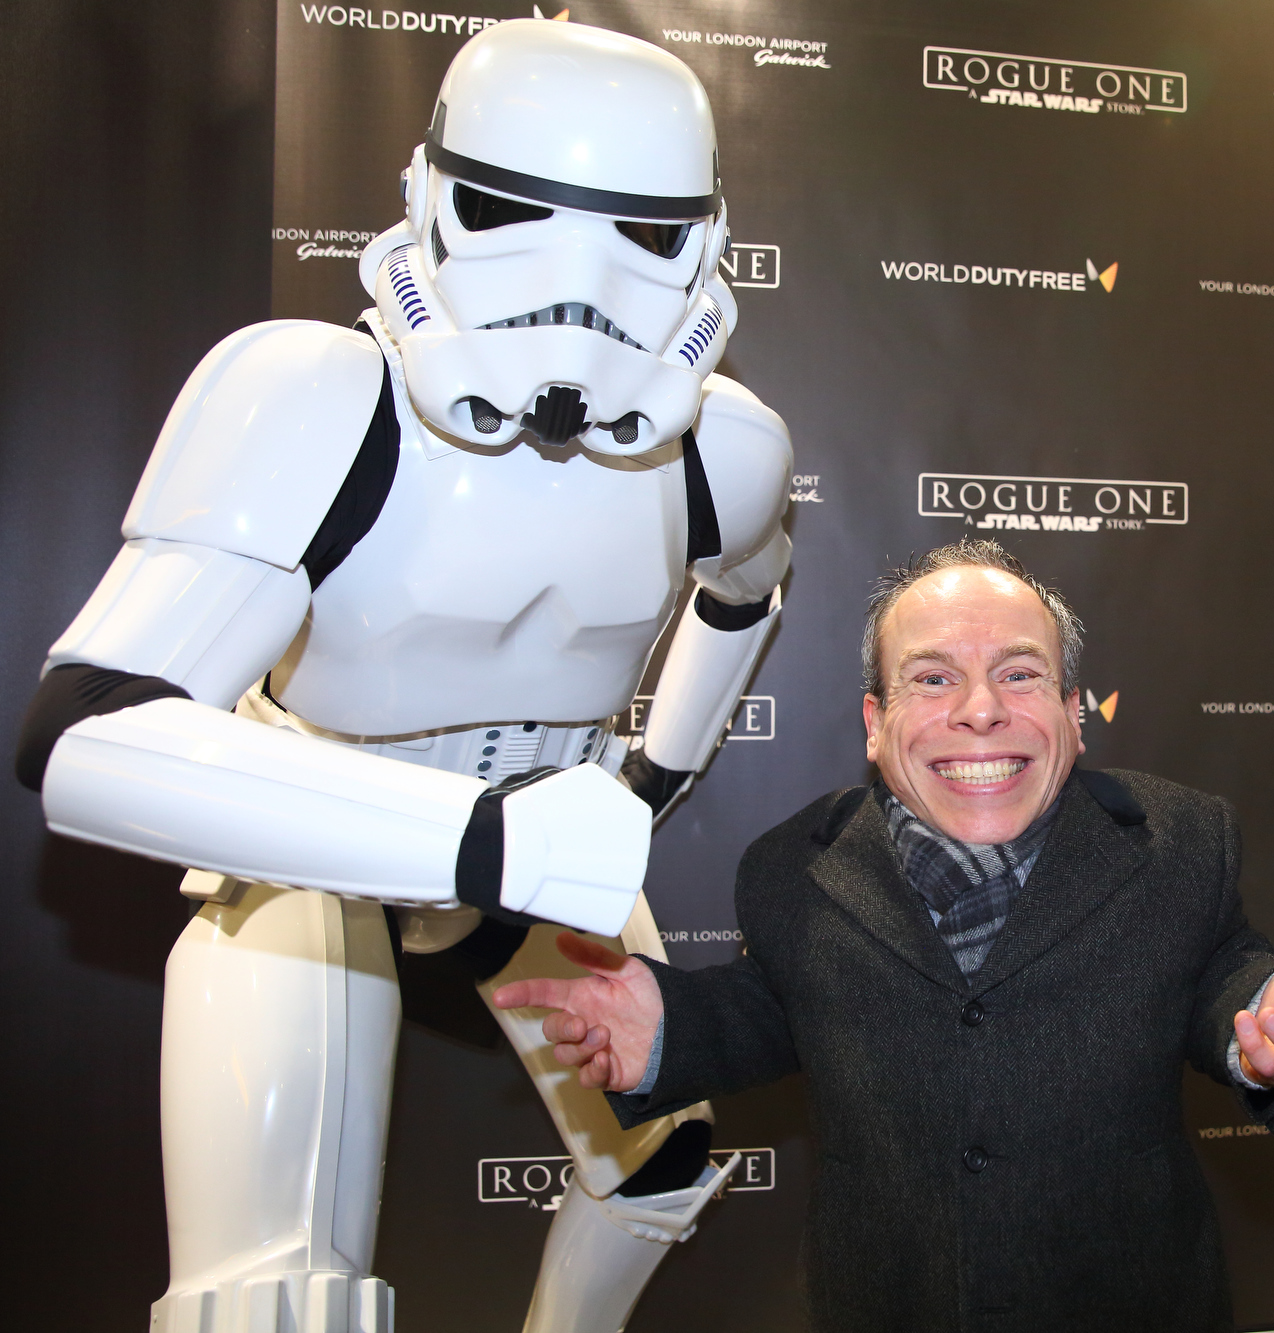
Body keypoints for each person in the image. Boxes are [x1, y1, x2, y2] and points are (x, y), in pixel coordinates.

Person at [14, 20, 789, 1332]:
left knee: (656, 1165)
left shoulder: (729, 447)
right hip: (310, 837)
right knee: (270, 1297)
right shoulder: (313, 394)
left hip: (542, 832)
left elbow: (745, 590)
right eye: (514, 215)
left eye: (637, 235)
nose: (576, 284)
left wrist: (654, 774)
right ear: (432, 202)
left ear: (703, 245)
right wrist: (485, 837)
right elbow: (84, 729)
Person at [496, 539, 1274, 1331]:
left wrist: (1264, 1014)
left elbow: (1222, 974)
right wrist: (672, 1033)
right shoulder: (789, 868)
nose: (980, 710)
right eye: (932, 678)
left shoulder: (1182, 840)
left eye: (1020, 673)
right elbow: (779, 1009)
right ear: (877, 727)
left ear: (1075, 713)